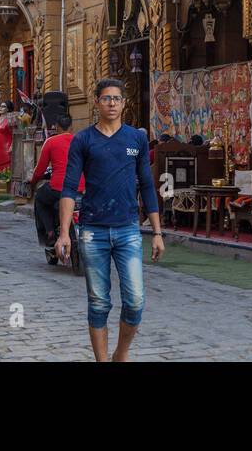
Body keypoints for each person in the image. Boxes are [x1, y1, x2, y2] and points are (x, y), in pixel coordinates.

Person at [56, 79, 164, 361]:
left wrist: (157, 232)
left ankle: (121, 353)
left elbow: (147, 185)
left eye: (117, 98)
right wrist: (64, 232)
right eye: (106, 98)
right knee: (99, 301)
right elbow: (69, 187)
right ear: (96, 102)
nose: (112, 103)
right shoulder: (83, 140)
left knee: (135, 301)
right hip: (92, 231)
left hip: (128, 229)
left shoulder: (136, 139)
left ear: (124, 103)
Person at [30, 115, 82, 247]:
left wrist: (33, 181)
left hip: (59, 188)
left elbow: (40, 170)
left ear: (57, 127)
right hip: (80, 188)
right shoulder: (81, 141)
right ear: (71, 127)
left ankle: (50, 232)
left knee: (40, 199)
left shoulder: (51, 142)